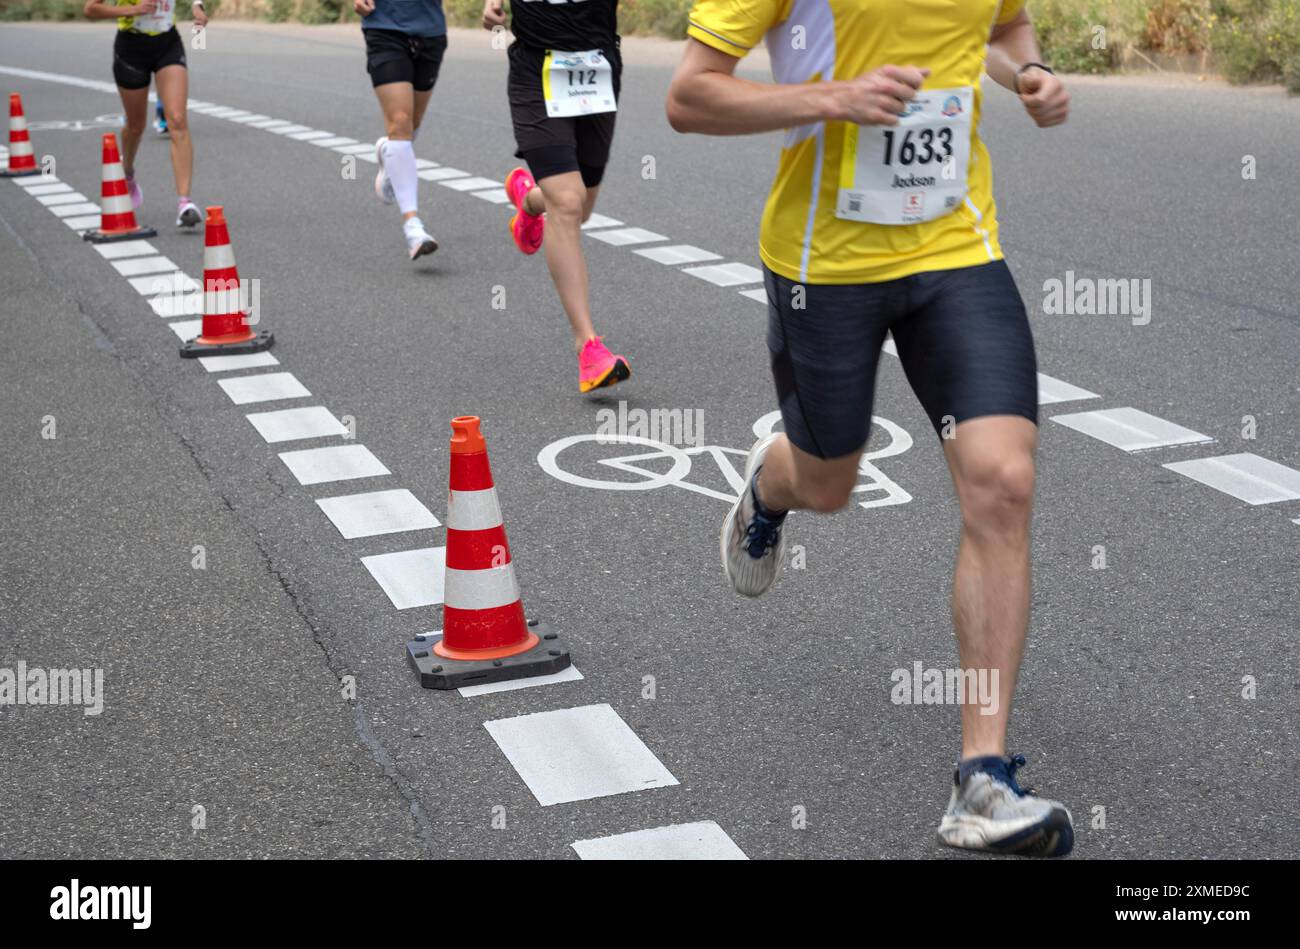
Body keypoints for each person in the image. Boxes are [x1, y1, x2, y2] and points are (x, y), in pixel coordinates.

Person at [667, 0, 1075, 856]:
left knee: (1005, 480)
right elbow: (692, 97)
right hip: (825, 260)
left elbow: (1000, 30)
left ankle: (983, 778)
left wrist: (1027, 73)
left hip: (956, 249)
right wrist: (834, 98)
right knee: (828, 482)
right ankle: (768, 485)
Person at [481, 0, 630, 394]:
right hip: (536, 69)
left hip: (597, 67)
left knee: (580, 207)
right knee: (567, 202)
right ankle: (588, 348)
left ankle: (529, 201)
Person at [83, 0, 205, 227]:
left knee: (177, 120)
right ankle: (127, 174)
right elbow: (90, 10)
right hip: (131, 47)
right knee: (136, 126)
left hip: (168, 42)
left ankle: (184, 203)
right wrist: (132, 9)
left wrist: (198, 6)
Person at [354, 0, 446, 261]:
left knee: (411, 125)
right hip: (384, 29)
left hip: (430, 32)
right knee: (400, 122)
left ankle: (388, 153)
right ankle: (413, 227)